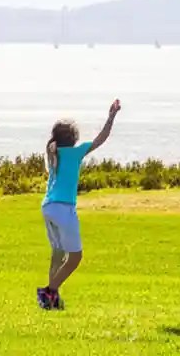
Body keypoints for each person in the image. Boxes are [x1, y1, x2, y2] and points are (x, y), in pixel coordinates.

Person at [37, 99, 121, 310]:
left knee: (58, 254)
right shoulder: (76, 152)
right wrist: (111, 116)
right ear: (73, 139)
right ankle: (49, 291)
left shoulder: (52, 151)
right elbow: (101, 138)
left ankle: (52, 301)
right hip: (64, 208)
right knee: (75, 257)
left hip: (48, 207)